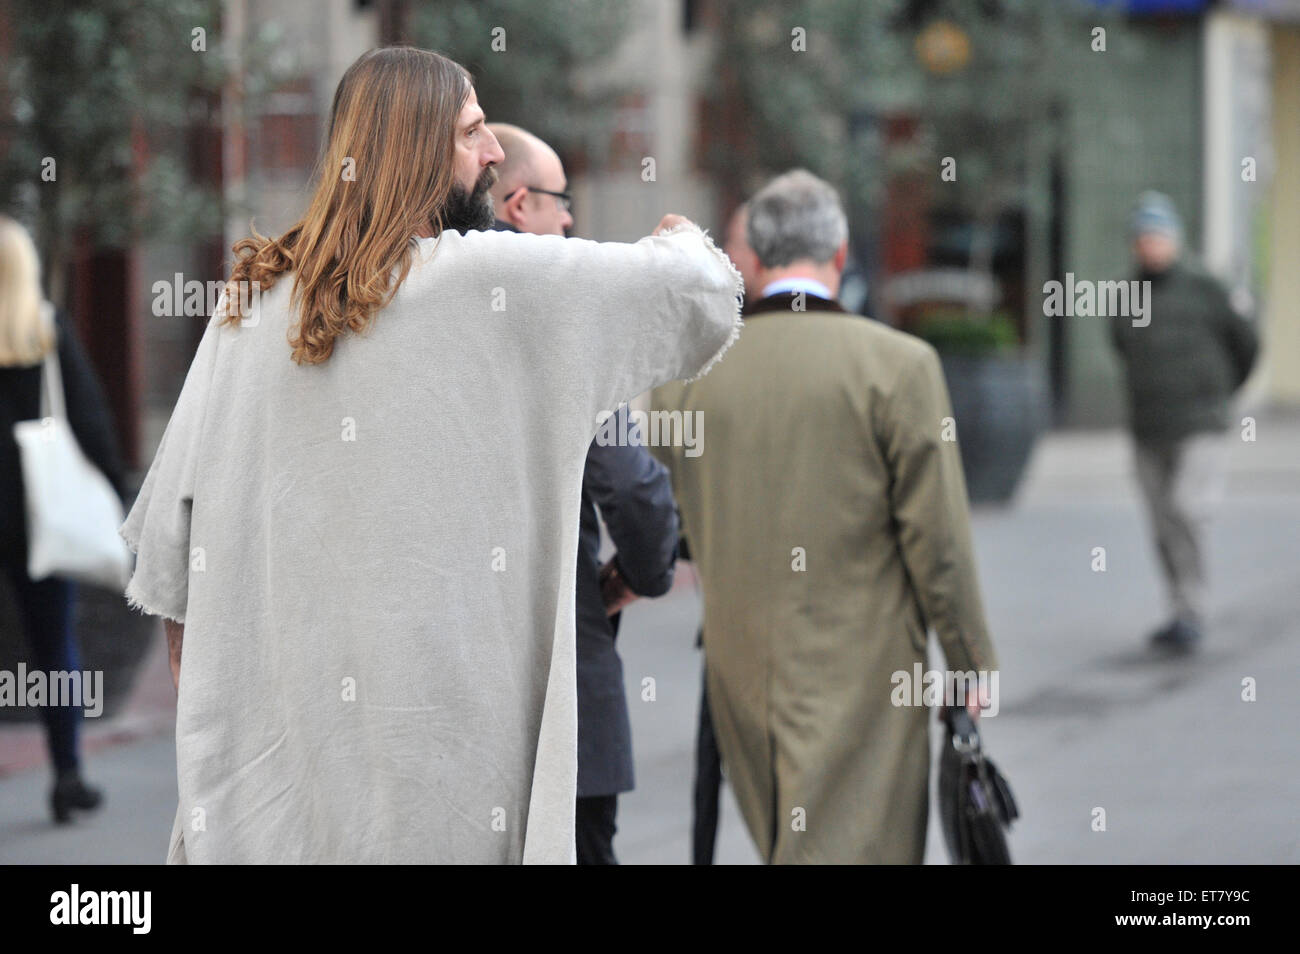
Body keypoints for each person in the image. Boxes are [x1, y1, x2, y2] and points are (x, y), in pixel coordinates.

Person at [119, 47, 742, 864]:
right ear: (414, 148)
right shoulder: (494, 280)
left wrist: (229, 737)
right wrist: (679, 234)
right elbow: (699, 293)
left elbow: (174, 581)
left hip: (276, 816)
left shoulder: (247, 310)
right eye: (473, 132)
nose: (492, 155)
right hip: (450, 799)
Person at [651, 170, 996, 864]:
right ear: (841, 255)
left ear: (756, 256)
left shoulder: (684, 381)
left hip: (740, 666)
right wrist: (968, 660)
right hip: (867, 670)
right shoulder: (900, 366)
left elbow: (671, 519)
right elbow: (940, 541)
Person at [486, 123, 682, 864]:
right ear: (517, 203)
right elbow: (631, 488)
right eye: (561, 201)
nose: (570, 220)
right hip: (559, 692)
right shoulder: (559, 325)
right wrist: (638, 574)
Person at [0, 215, 125, 823]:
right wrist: (118, 496)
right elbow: (92, 419)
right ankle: (68, 773)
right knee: (55, 646)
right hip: (37, 515)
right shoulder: (45, 331)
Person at [1111, 192, 1258, 653]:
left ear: (1173, 239)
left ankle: (1193, 607)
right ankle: (1178, 609)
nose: (1151, 246)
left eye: (1158, 236)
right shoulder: (1126, 293)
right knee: (1160, 522)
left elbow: (1247, 344)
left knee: (1186, 509)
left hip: (1201, 423)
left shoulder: (1207, 287)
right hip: (1148, 425)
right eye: (1143, 238)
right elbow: (1121, 346)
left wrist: (1217, 393)